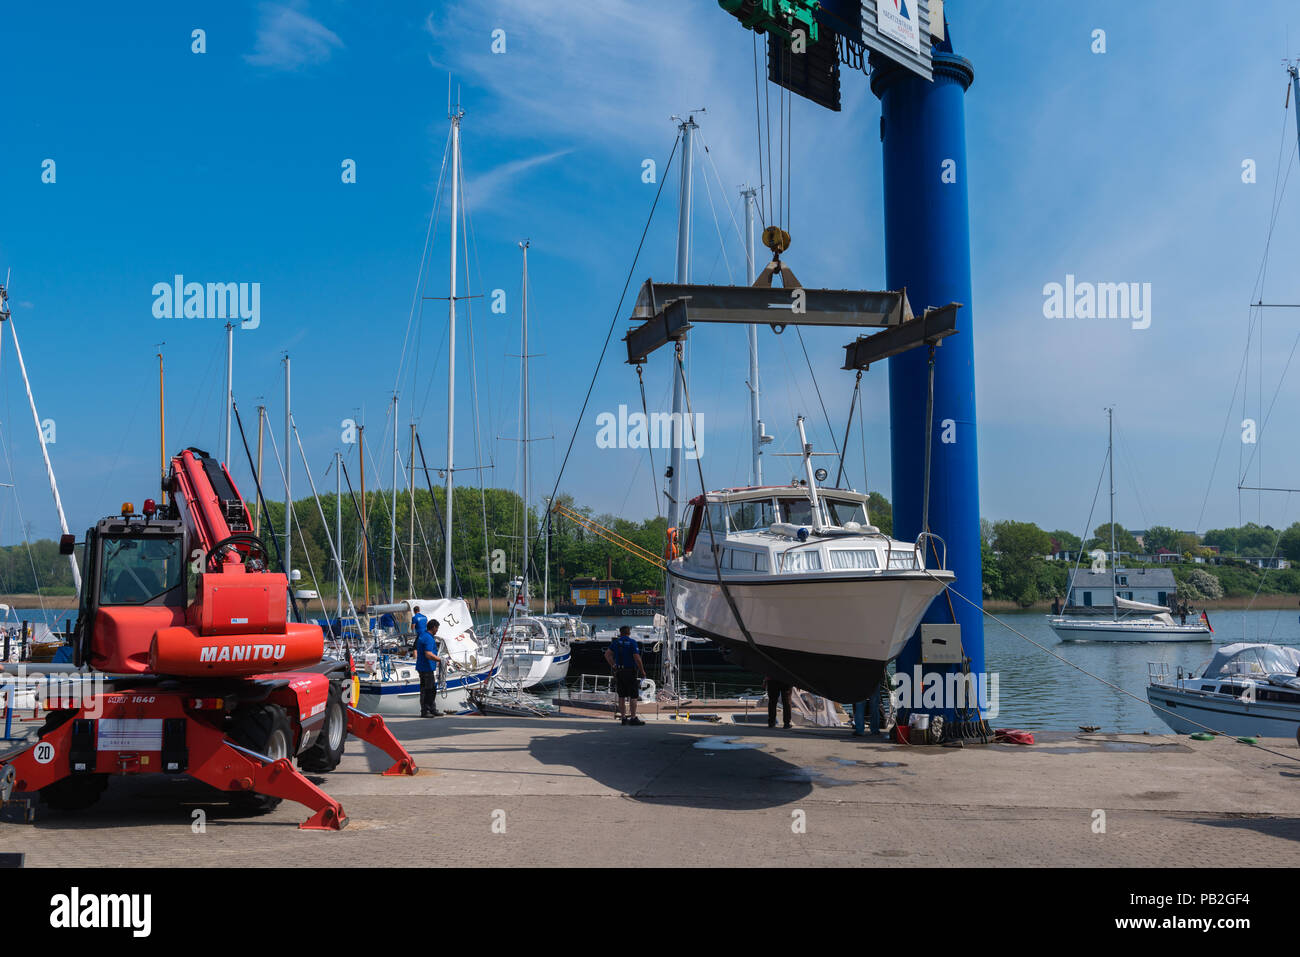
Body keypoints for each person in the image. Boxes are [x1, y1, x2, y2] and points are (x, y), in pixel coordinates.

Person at [604, 625, 646, 726]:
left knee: (621, 696)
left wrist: (614, 665)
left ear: (620, 632)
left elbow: (607, 654)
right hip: (630, 671)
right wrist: (642, 671)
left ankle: (623, 718)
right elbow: (637, 658)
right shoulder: (632, 642)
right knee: (633, 696)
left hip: (619, 671)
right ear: (629, 633)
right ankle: (633, 718)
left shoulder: (616, 643)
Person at [415, 620, 442, 718]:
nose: (437, 630)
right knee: (427, 690)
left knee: (430, 689)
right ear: (434, 627)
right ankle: (425, 711)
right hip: (426, 667)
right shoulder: (428, 639)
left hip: (423, 667)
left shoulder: (423, 635)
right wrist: (440, 660)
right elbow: (428, 654)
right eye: (437, 628)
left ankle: (432, 709)